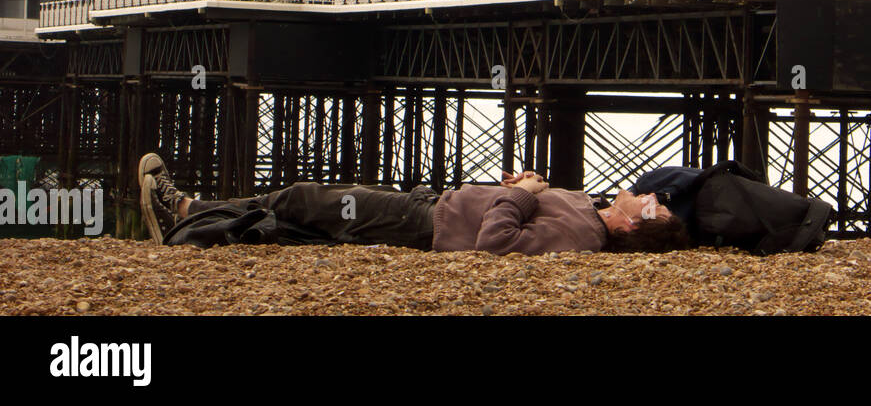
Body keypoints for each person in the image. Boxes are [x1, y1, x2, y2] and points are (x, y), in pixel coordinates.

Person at [138, 154, 689, 255]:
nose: (648, 196)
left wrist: (519, 192)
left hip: (424, 223)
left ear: (633, 230)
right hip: (432, 204)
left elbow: (497, 243)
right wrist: (520, 186)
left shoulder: (585, 239)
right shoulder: (587, 211)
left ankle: (183, 210)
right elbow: (513, 208)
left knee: (304, 198)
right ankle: (196, 226)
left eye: (651, 210)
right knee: (306, 221)